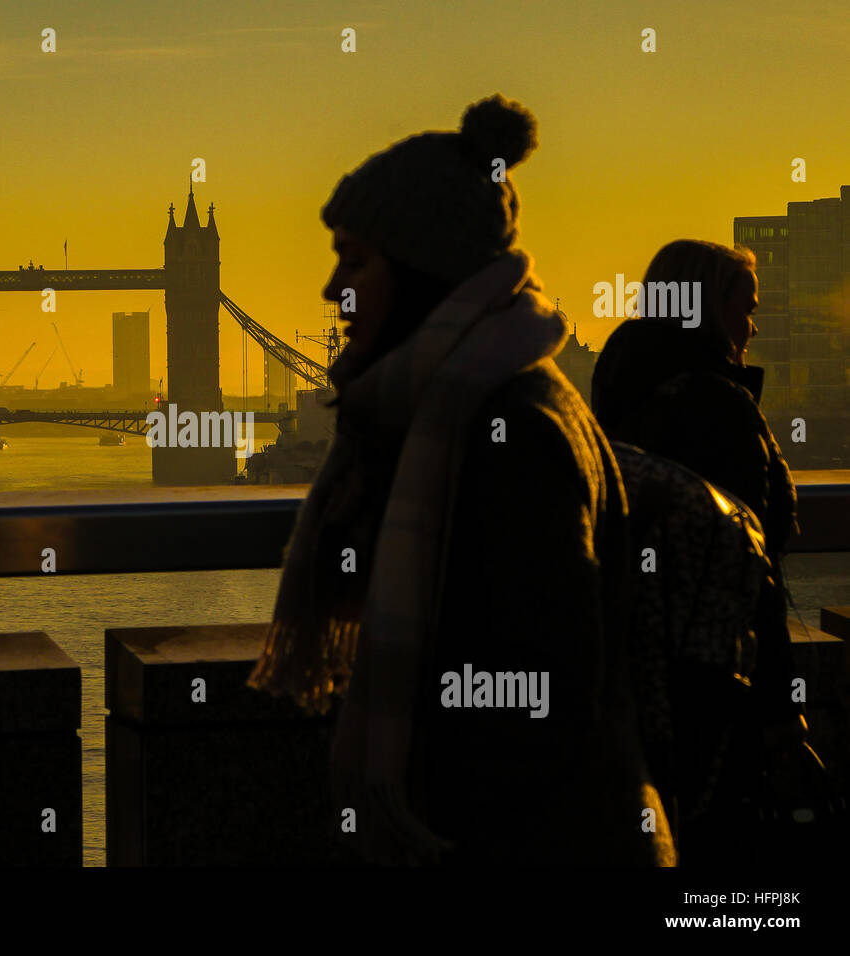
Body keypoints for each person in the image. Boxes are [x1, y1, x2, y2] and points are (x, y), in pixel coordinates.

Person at [248, 94, 674, 865]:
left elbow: (539, 711)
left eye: (354, 260)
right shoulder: (462, 405)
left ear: (423, 271)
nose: (328, 288)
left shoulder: (510, 433)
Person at [591, 239, 807, 864]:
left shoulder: (617, 392)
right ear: (711, 307)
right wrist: (782, 704)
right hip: (713, 677)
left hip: (633, 666)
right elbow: (748, 571)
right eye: (747, 306)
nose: (754, 323)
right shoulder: (718, 405)